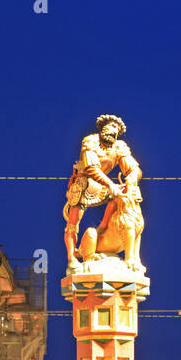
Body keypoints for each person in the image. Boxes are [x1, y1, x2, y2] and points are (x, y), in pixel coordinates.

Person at [63, 114, 142, 266]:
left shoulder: (119, 147)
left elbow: (134, 169)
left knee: (124, 194)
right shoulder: (90, 141)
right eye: (112, 126)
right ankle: (71, 257)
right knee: (73, 222)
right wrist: (111, 185)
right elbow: (91, 168)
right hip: (84, 183)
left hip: (103, 187)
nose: (114, 131)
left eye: (117, 130)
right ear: (104, 126)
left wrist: (130, 180)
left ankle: (103, 227)